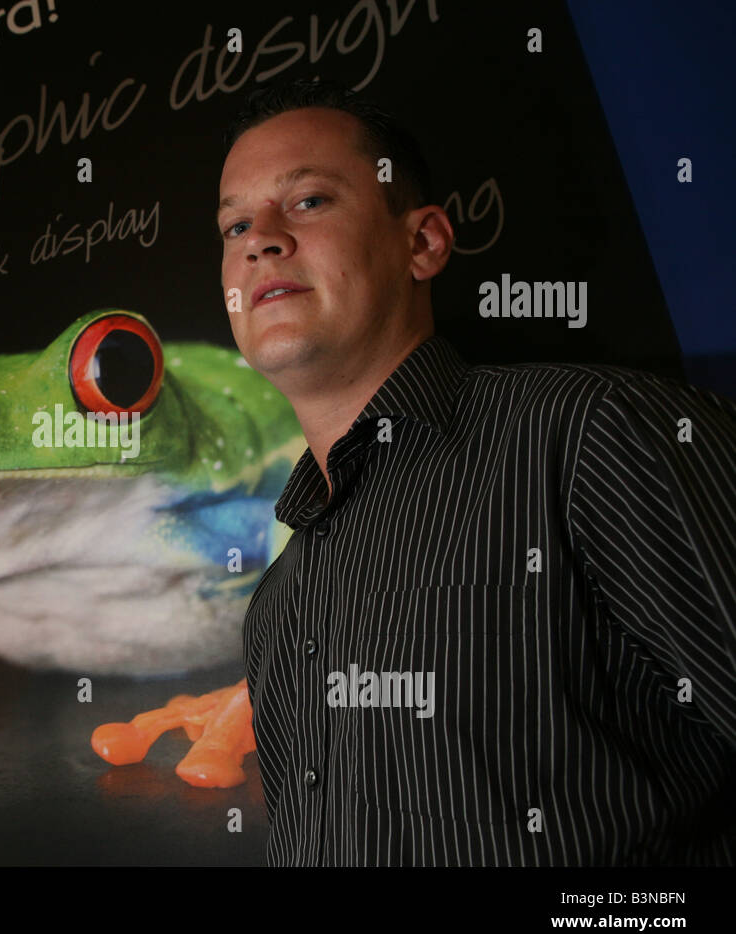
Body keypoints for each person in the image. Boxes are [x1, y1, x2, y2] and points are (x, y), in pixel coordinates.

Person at [220, 78, 736, 865]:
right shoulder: (278, 607)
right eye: (233, 224)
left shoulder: (589, 433)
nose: (259, 239)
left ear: (422, 242)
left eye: (310, 201)